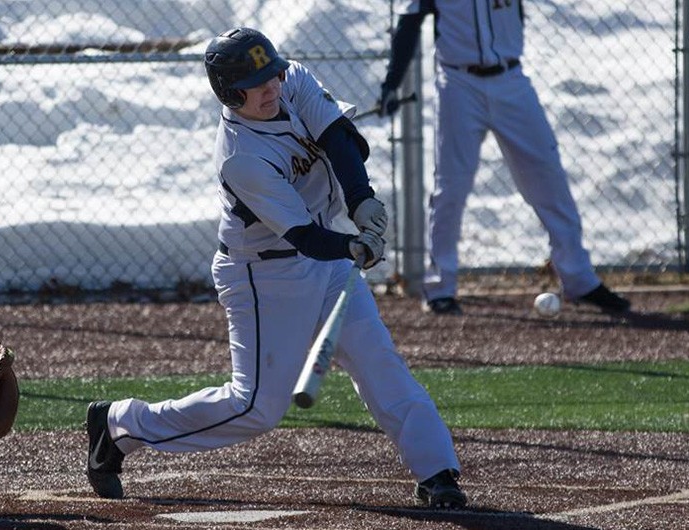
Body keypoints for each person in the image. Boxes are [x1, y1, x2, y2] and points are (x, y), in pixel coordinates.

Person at [85, 27, 467, 509]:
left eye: (274, 75)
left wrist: (361, 199)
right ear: (228, 92)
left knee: (378, 360)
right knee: (255, 408)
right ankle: (120, 425)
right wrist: (354, 246)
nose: (272, 87)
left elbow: (337, 138)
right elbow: (302, 236)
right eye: (257, 82)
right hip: (265, 276)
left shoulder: (292, 81)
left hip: (325, 261)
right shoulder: (242, 157)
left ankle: (437, 471)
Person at [377, 0, 631, 315]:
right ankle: (440, 288)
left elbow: (517, 13)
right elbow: (410, 21)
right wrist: (392, 83)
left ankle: (579, 280)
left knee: (548, 179)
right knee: (451, 187)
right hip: (459, 83)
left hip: (511, 79)